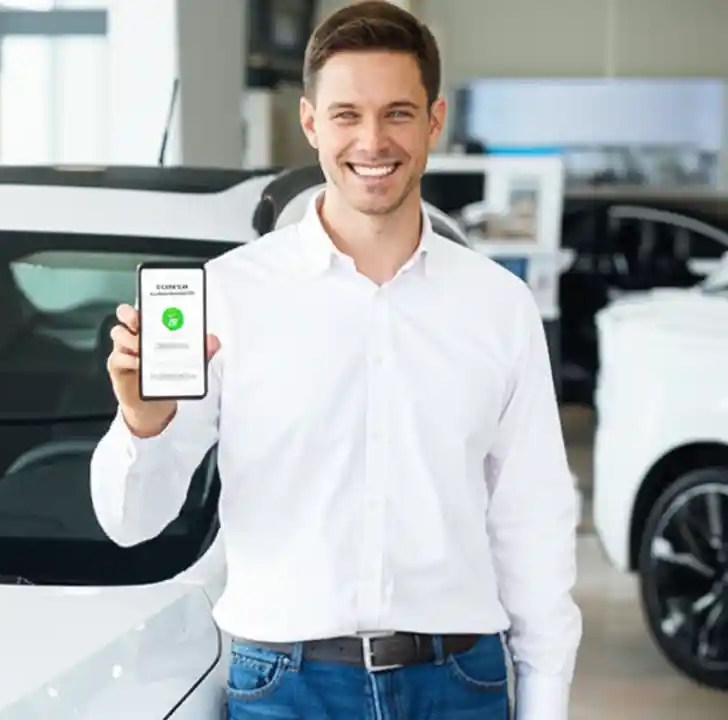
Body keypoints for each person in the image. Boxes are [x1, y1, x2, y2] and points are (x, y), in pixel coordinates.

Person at [88, 2, 582, 718]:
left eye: (398, 113)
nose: (373, 140)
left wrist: (545, 702)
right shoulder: (229, 296)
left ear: (434, 121)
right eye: (347, 114)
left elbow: (530, 524)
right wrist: (142, 424)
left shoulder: (498, 307)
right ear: (312, 122)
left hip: (460, 685)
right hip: (287, 689)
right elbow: (131, 524)